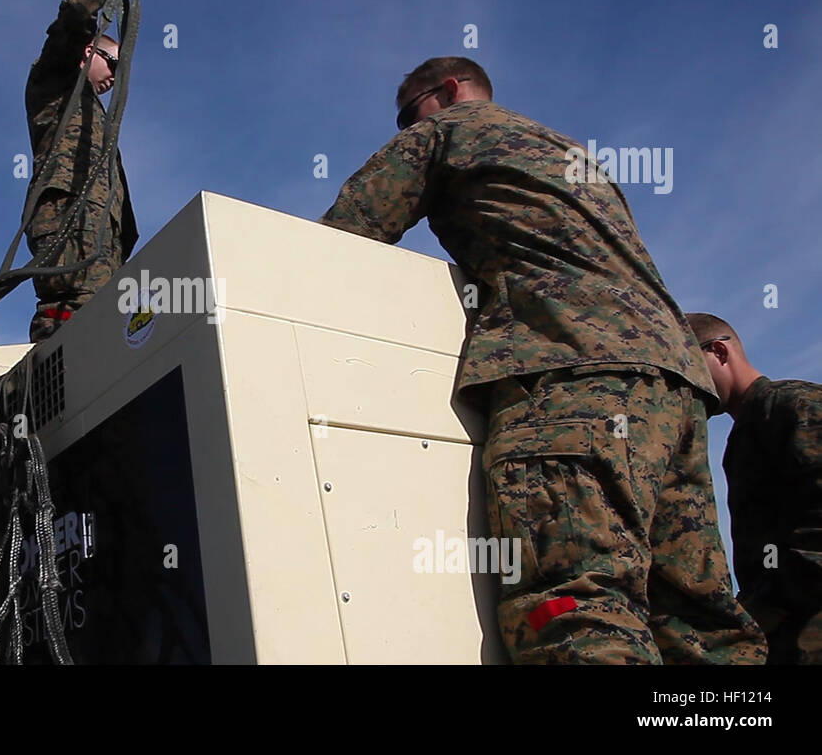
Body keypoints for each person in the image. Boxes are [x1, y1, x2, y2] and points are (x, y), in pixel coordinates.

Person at [320, 56, 765, 664]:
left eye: (406, 114)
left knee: (573, 604)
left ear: (448, 90)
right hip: (676, 384)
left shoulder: (445, 132)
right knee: (700, 624)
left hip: (571, 375)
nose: (402, 129)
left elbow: (344, 236)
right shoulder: (577, 157)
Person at [23, 0, 141, 342]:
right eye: (111, 62)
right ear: (86, 53)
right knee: (69, 342)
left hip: (102, 259)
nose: (114, 76)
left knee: (108, 344)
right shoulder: (55, 84)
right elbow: (76, 13)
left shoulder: (96, 116)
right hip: (69, 251)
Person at [687, 312, 822, 664]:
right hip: (785, 638)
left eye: (688, 365)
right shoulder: (743, 436)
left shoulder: (792, 404)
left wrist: (782, 591)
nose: (686, 384)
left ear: (718, 351)